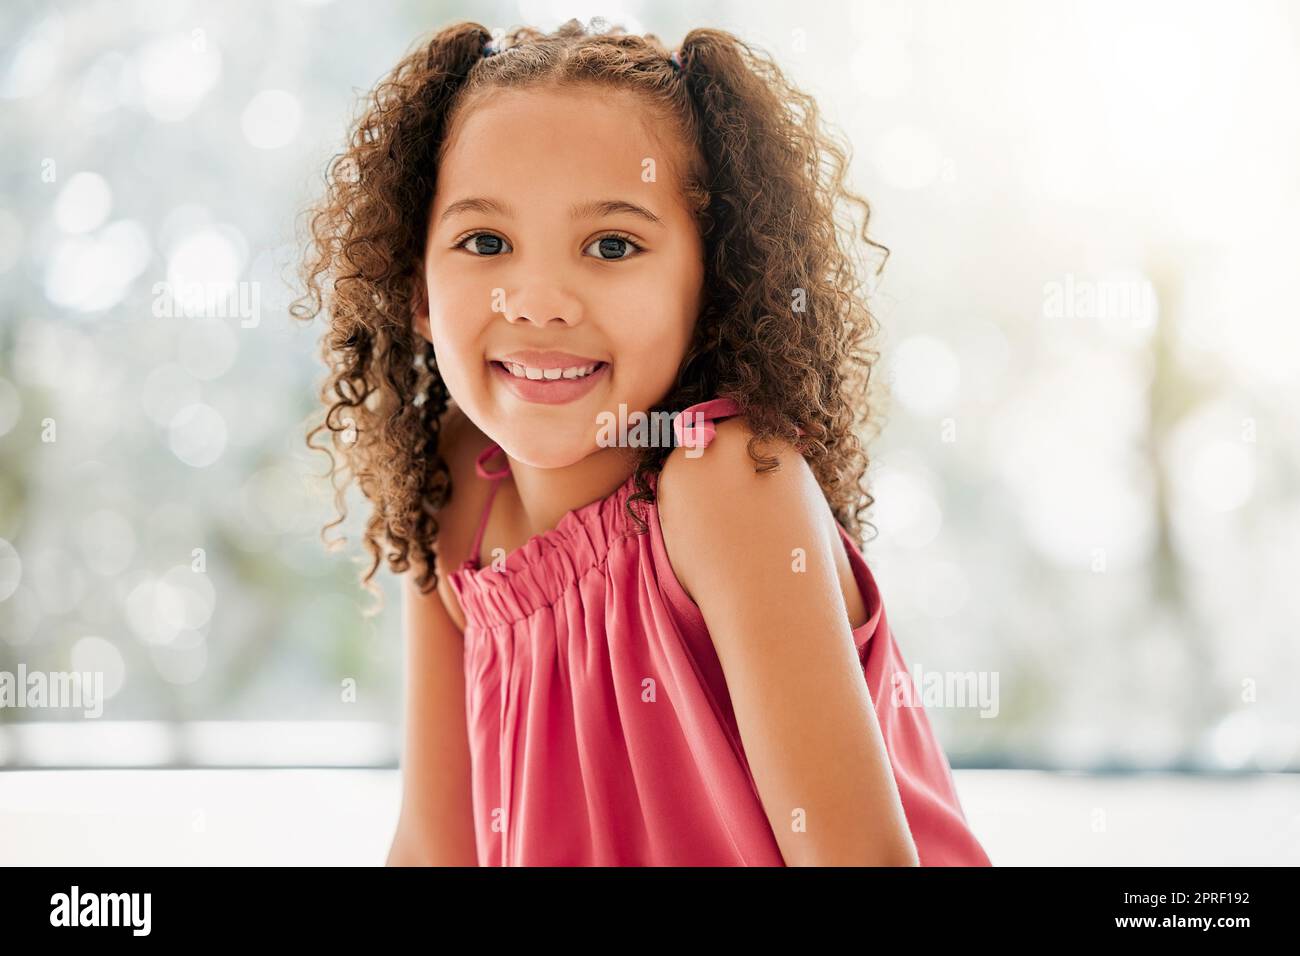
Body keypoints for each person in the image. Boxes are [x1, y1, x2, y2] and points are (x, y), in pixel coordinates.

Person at [295, 18, 992, 867]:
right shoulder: (457, 493)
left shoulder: (727, 483)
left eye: (612, 245)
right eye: (486, 242)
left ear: (715, 282)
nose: (540, 300)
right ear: (418, 290)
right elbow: (433, 847)